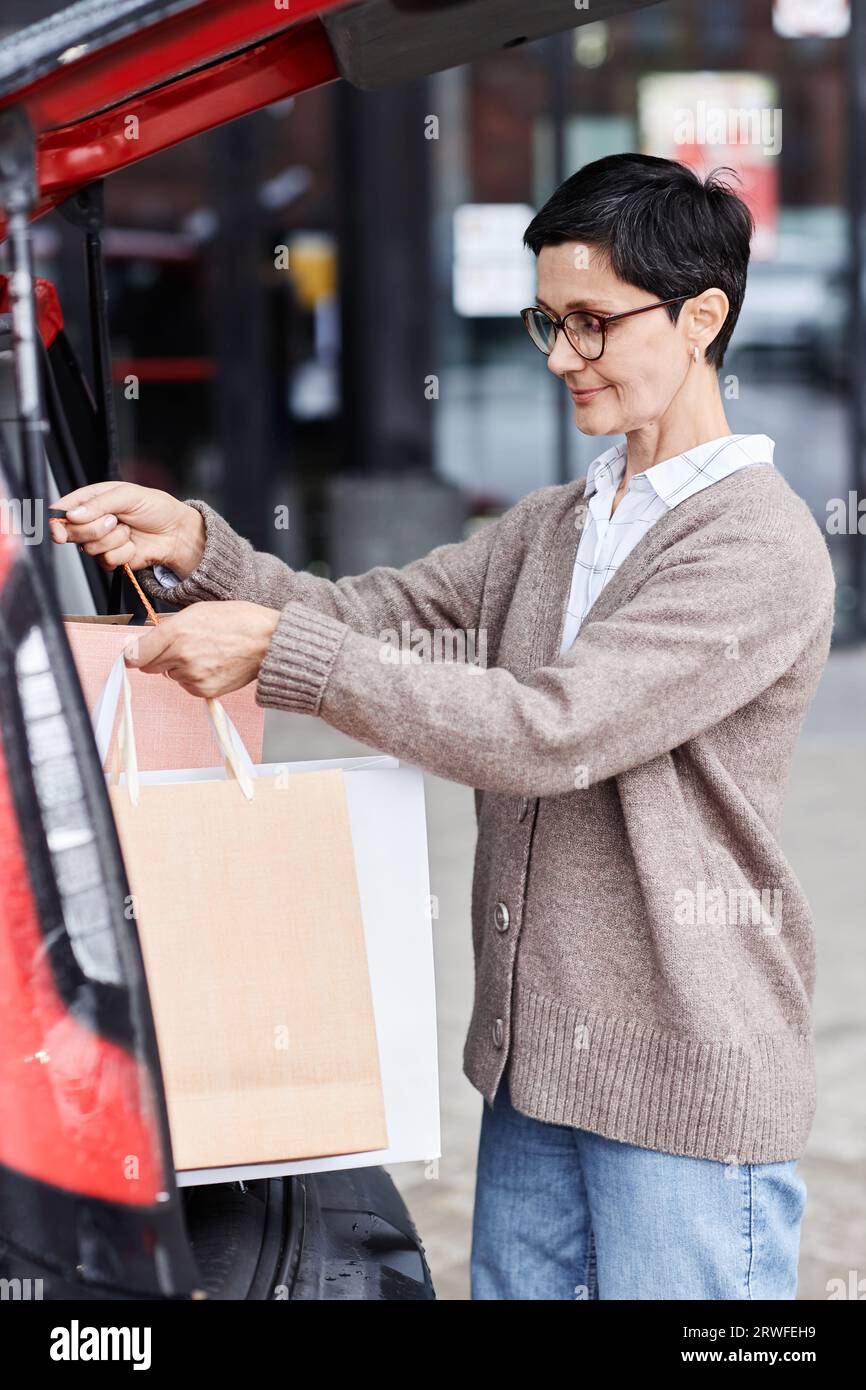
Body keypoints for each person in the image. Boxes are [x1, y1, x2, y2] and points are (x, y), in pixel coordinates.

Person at [50, 154, 835, 1300]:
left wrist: (279, 657)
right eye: (544, 321)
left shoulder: (753, 545)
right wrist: (199, 548)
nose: (560, 357)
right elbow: (374, 618)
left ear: (701, 315)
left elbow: (548, 731)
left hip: (682, 1088)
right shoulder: (555, 523)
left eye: (589, 324)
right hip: (530, 1077)